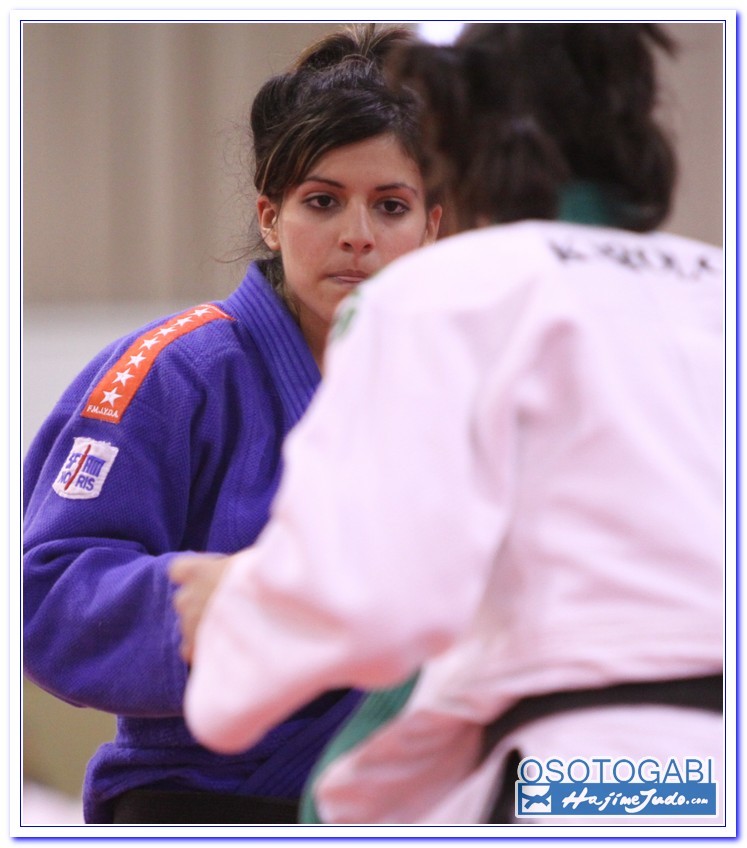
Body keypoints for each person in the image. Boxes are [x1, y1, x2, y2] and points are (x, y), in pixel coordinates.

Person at [172, 23, 724, 825]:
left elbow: (377, 589)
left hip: (588, 774)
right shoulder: (723, 293)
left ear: (453, 160)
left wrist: (235, 608)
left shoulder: (446, 293)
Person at [23, 23, 442, 824]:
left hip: (410, 798)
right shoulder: (172, 372)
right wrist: (249, 607)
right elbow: (49, 595)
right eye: (322, 201)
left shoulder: (462, 389)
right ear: (270, 217)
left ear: (432, 226)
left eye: (390, 205)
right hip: (205, 800)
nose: (356, 232)